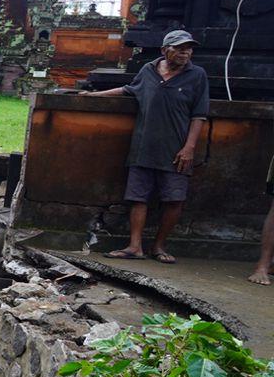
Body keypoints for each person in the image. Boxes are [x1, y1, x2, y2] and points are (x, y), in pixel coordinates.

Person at [83, 29, 210, 264]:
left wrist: (189, 147)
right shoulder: (149, 70)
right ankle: (135, 246)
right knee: (138, 197)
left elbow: (199, 115)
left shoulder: (197, 75)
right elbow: (129, 90)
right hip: (144, 146)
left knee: (174, 199)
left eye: (188, 49)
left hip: (176, 149)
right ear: (164, 50)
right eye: (179, 48)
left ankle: (159, 246)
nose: (185, 53)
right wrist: (95, 96)